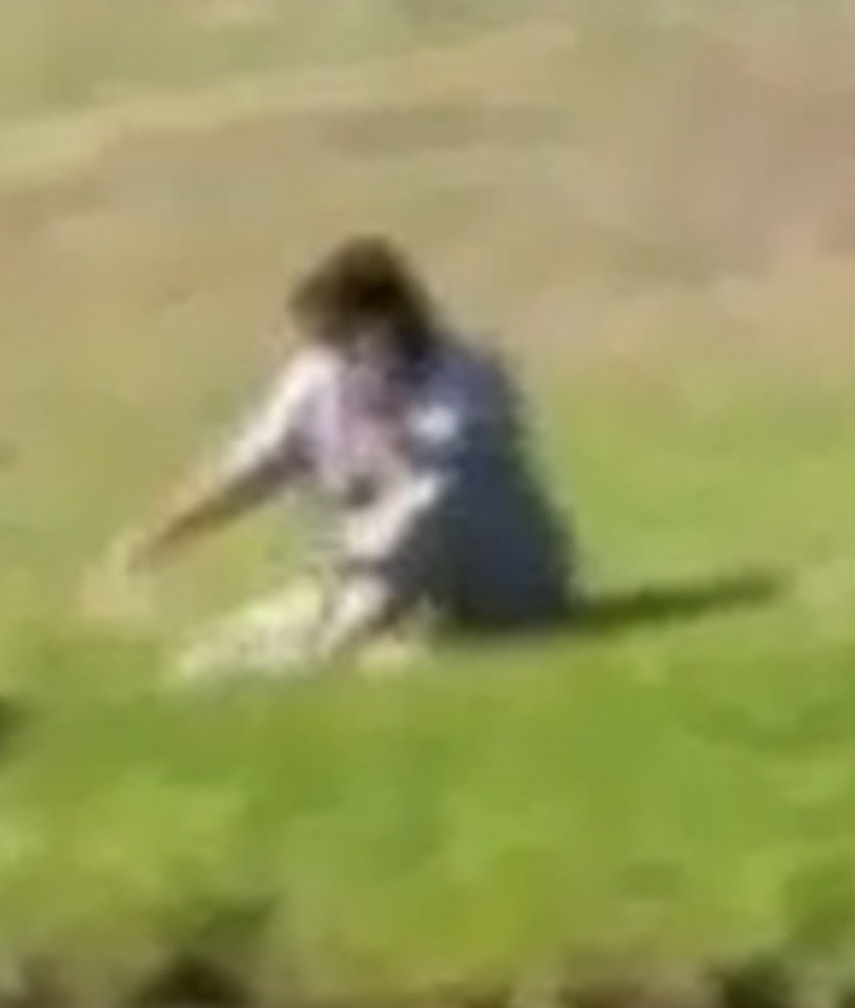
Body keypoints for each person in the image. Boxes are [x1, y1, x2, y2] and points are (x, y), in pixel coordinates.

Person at [88, 236, 581, 683]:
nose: (331, 349)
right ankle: (325, 643)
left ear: (386, 320)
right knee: (223, 650)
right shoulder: (316, 378)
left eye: (341, 332)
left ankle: (335, 650)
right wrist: (151, 543)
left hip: (497, 583)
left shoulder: (466, 370)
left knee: (428, 501)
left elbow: (441, 480)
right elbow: (249, 473)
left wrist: (383, 414)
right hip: (371, 577)